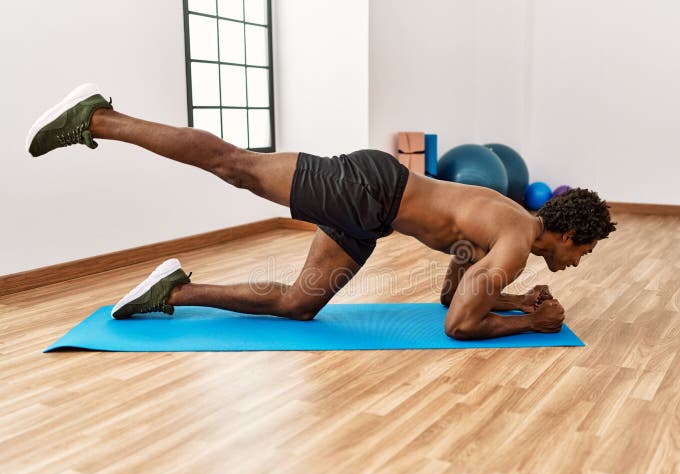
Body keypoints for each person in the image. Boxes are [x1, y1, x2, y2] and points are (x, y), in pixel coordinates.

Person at [27, 84, 616, 340]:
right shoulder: (515, 243)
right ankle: (100, 118)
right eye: (581, 252)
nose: (576, 263)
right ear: (566, 232)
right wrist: (529, 323)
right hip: (366, 187)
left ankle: (174, 293)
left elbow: (452, 293)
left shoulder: (505, 227)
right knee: (237, 165)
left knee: (297, 305)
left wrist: (511, 301)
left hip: (370, 215)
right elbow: (460, 326)